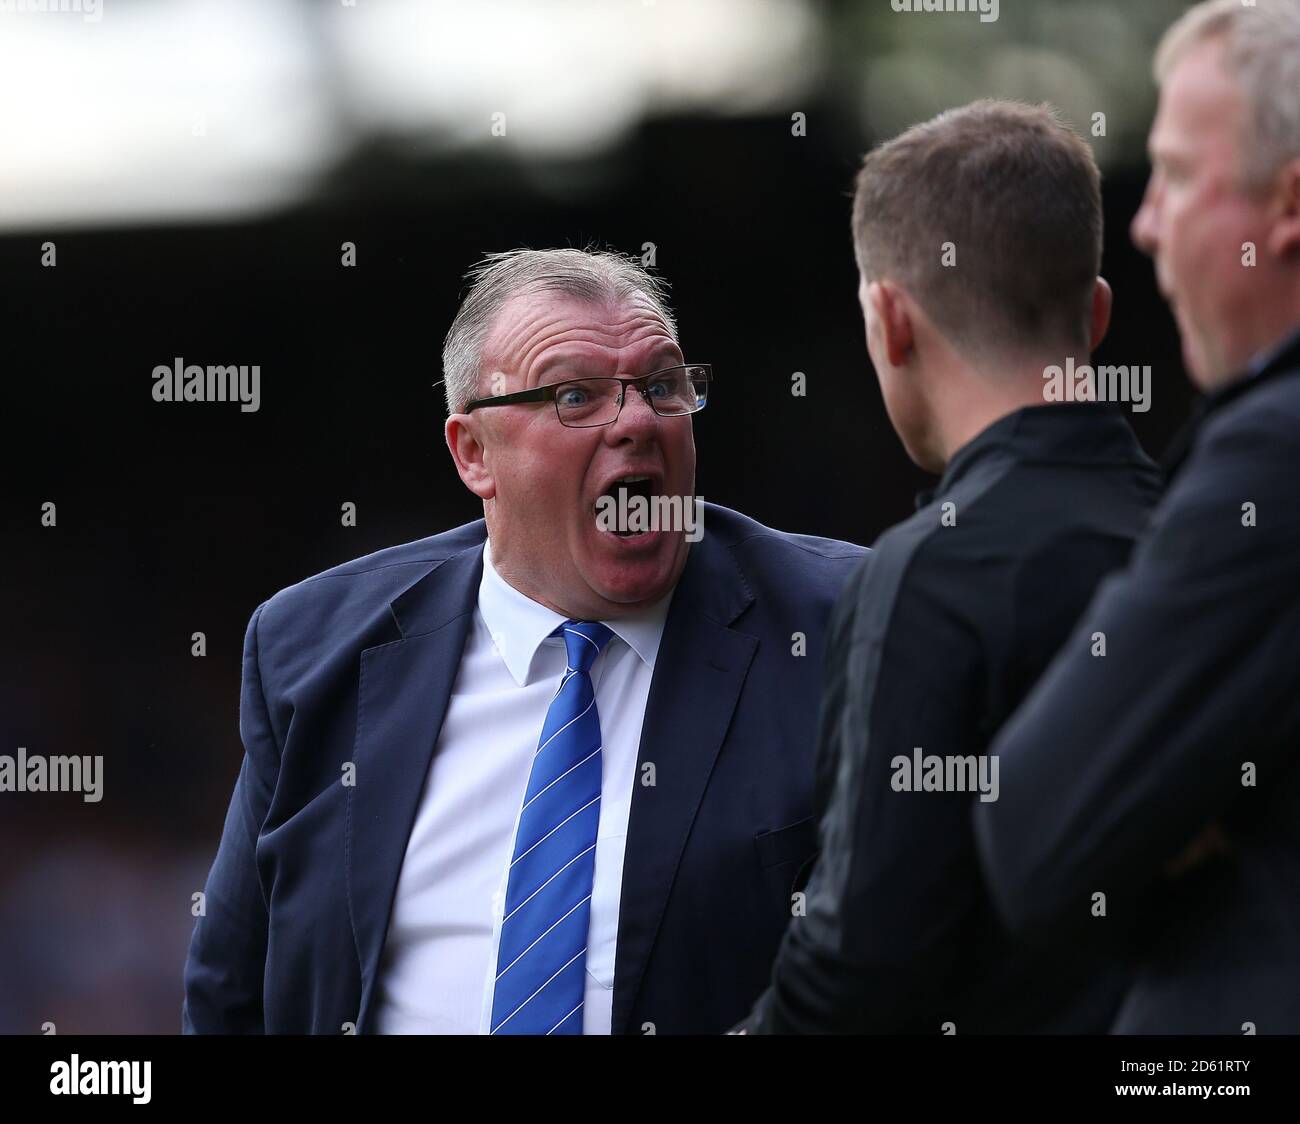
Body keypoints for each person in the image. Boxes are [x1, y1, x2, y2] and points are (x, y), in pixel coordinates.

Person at [182, 247, 865, 1034]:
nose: (639, 422)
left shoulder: (844, 625)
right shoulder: (312, 648)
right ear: (474, 453)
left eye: (662, 386)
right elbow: (229, 996)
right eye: (576, 395)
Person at [739, 100, 1162, 1034]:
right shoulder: (1197, 542)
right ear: (1095, 316)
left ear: (889, 322)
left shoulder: (926, 577)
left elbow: (860, 970)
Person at [974, 0, 1300, 1033]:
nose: (1146, 221)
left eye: (1176, 174)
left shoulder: (1275, 450)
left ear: (1288, 206)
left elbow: (1035, 835)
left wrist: (1175, 808)